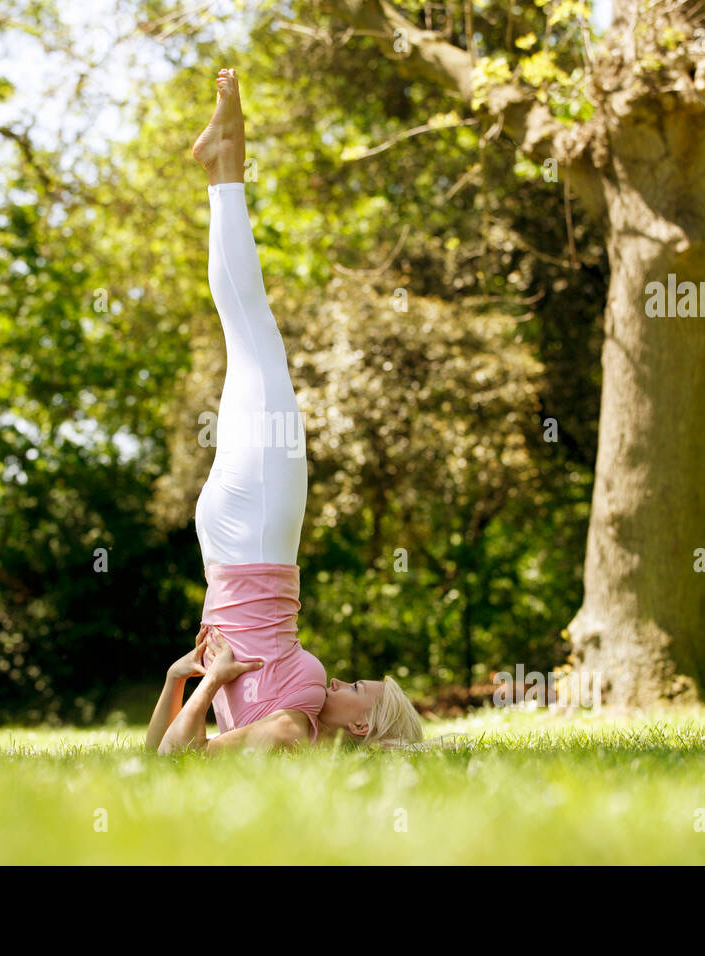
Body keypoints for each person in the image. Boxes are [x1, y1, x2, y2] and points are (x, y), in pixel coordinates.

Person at [146, 69, 423, 755]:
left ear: (360, 724)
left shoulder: (292, 730)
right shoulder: (293, 715)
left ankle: (227, 164)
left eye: (363, 690)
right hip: (228, 551)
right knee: (246, 337)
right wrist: (181, 679)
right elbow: (155, 760)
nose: (349, 681)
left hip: (257, 534)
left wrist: (208, 684)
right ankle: (223, 167)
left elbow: (175, 763)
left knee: (254, 334)